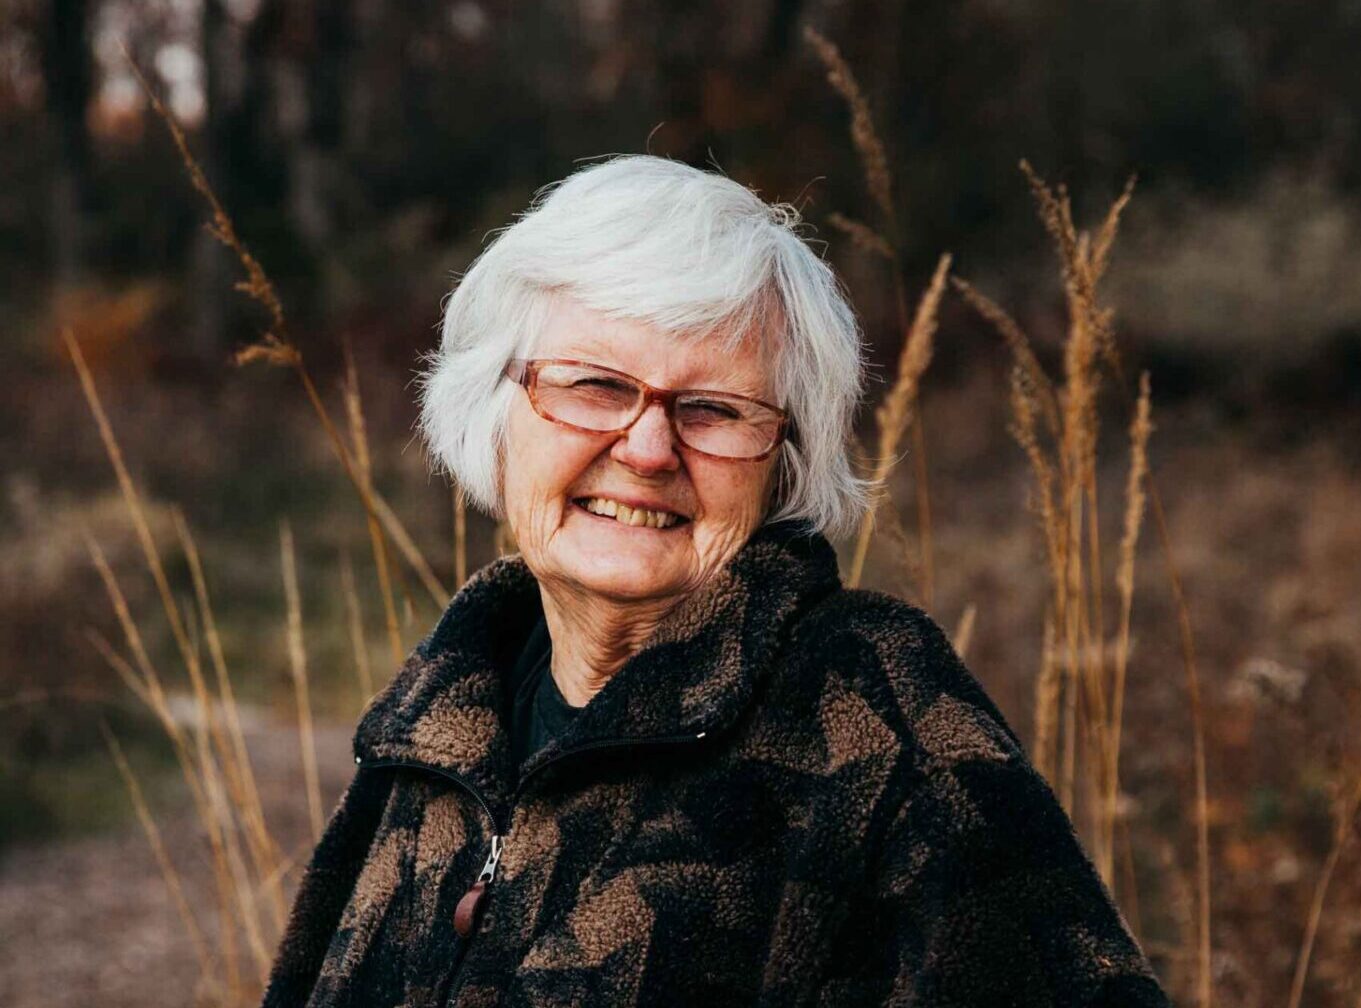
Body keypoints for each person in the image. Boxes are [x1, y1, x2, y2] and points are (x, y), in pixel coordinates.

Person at [260, 155, 1170, 1007]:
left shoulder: (874, 715)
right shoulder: (438, 723)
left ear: (781, 461)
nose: (648, 450)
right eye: (594, 387)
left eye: (714, 410)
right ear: (494, 411)